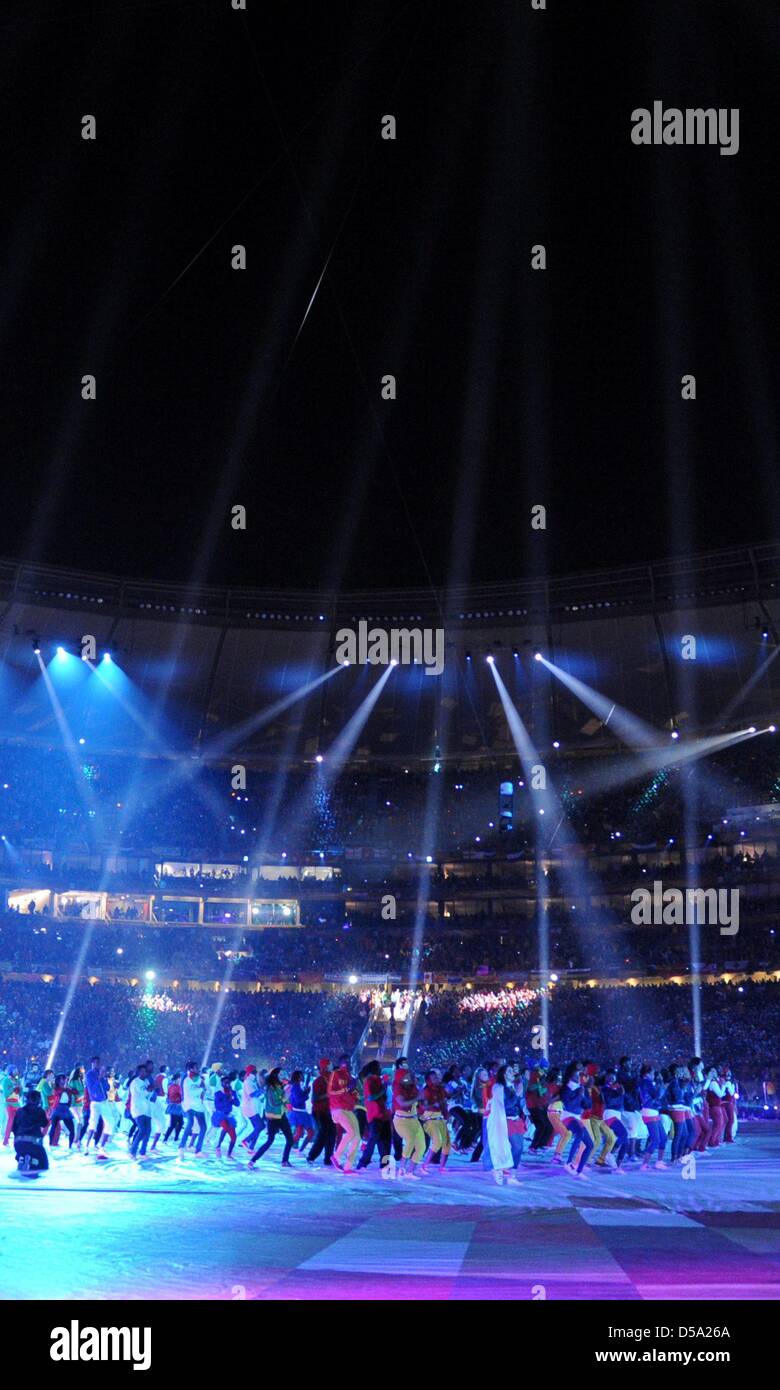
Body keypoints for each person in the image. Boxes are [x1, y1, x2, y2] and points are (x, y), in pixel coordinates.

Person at [248, 1069, 294, 1168]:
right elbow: (274, 1103)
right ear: (275, 1076)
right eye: (281, 1075)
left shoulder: (279, 1086)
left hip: (281, 1116)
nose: (283, 1076)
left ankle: (285, 1161)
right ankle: (252, 1161)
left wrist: (287, 1103)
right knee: (270, 1141)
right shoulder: (270, 1088)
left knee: (290, 1139)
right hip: (273, 1118)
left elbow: (283, 1098)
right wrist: (285, 1100)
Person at [356, 1061, 392, 1171]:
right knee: (372, 1140)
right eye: (378, 1067)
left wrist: (384, 1086)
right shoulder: (369, 1081)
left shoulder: (379, 1081)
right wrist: (384, 1088)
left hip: (383, 1114)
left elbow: (384, 1097)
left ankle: (385, 1164)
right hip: (375, 1114)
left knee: (386, 1141)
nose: (380, 1068)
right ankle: (363, 1163)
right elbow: (370, 1097)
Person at [392, 1064, 426, 1179]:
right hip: (401, 1120)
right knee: (410, 1140)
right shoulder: (397, 1088)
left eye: (409, 1076)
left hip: (414, 1120)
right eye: (405, 1076)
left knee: (421, 1146)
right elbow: (402, 1103)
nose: (408, 1078)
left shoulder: (413, 1087)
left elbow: (421, 1101)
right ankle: (401, 1169)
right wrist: (417, 1098)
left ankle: (410, 1171)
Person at [328, 1055, 361, 1173]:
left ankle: (348, 1167)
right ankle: (336, 1157)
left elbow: (356, 1096)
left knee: (357, 1138)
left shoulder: (351, 1077)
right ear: (341, 1062)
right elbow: (331, 1092)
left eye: (349, 1061)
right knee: (351, 1133)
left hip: (348, 1109)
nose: (347, 1064)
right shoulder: (336, 1074)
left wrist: (355, 1093)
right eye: (345, 1061)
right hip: (337, 1108)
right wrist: (347, 1089)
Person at [12, 1088, 49, 1175]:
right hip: (33, 1142)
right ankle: (30, 1160)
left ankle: (22, 1158)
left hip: (18, 1142)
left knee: (25, 1151)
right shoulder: (40, 1111)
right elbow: (44, 1124)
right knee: (44, 1165)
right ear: (39, 1100)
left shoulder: (19, 1111)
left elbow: (14, 1128)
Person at [420, 1069, 451, 1173]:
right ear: (429, 1079)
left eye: (437, 1076)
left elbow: (447, 1098)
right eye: (434, 1077)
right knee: (437, 1142)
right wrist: (434, 1105)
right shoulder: (426, 1090)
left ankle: (442, 1166)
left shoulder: (441, 1088)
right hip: (429, 1117)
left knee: (446, 1142)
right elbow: (423, 1105)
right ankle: (424, 1165)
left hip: (440, 1116)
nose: (437, 1078)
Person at [307, 1058, 336, 1167]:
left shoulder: (332, 1078)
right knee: (323, 1132)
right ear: (326, 1066)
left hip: (330, 1111)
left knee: (332, 1133)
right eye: (330, 1064)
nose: (332, 1066)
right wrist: (328, 1095)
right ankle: (312, 1156)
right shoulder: (318, 1081)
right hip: (319, 1111)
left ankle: (328, 1158)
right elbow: (314, 1099)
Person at [85, 1056, 113, 1159]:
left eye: (99, 1063)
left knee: (110, 1123)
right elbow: (91, 1089)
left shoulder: (101, 1073)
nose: (98, 1064)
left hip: (104, 1102)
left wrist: (105, 1079)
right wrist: (99, 1078)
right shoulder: (89, 1074)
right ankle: (87, 1146)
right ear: (92, 1063)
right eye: (96, 1062)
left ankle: (102, 1147)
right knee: (93, 1124)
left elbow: (107, 1087)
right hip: (95, 1103)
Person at [179, 1062, 207, 1155]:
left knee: (203, 1127)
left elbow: (204, 1089)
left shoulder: (198, 1078)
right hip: (189, 1105)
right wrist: (201, 1089)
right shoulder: (186, 1079)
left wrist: (203, 1089)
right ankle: (181, 1146)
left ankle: (198, 1150)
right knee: (190, 1123)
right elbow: (190, 1092)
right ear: (190, 1069)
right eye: (196, 1068)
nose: (197, 1069)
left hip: (198, 1105)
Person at [129, 1063, 153, 1160]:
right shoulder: (135, 1082)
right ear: (138, 1072)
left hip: (147, 1109)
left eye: (145, 1071)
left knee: (148, 1131)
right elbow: (144, 1092)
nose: (144, 1073)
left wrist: (151, 1089)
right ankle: (132, 1151)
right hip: (138, 1109)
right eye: (142, 1071)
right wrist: (150, 1089)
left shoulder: (146, 1081)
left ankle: (142, 1152)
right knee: (142, 1130)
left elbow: (149, 1094)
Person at [239, 1064, 265, 1151]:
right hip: (250, 1108)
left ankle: (251, 1147)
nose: (256, 1072)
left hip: (254, 1108)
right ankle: (246, 1141)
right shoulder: (247, 1082)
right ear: (251, 1072)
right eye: (255, 1071)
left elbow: (257, 1095)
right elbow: (252, 1094)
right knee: (261, 1126)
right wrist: (261, 1090)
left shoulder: (252, 1082)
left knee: (257, 1128)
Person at [288, 1071, 314, 1151]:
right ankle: (299, 1149)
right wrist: (306, 1093)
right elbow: (299, 1100)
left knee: (299, 1133)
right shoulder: (296, 1086)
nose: (303, 1076)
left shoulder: (297, 1085)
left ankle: (291, 1148)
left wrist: (305, 1092)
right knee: (310, 1133)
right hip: (300, 1113)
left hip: (299, 1112)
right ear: (298, 1076)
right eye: (302, 1075)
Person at [214, 1075, 239, 1158]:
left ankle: (229, 1153)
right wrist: (227, 1099)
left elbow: (237, 1103)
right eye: (225, 1082)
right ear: (222, 1083)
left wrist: (232, 1098)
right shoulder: (218, 1093)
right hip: (221, 1116)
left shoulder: (233, 1092)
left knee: (234, 1137)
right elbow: (217, 1106)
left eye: (228, 1082)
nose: (227, 1084)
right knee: (226, 1129)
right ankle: (218, 1146)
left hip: (229, 1116)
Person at [49, 1074, 76, 1150]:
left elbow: (75, 1092)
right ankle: (50, 1144)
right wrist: (66, 1088)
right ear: (58, 1080)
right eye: (62, 1079)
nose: (63, 1081)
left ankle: (70, 1146)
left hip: (65, 1109)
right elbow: (56, 1093)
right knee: (53, 1128)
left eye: (64, 1079)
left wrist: (68, 1087)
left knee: (72, 1129)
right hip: (57, 1108)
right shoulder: (56, 1089)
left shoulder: (67, 1089)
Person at [2, 1066, 21, 1147]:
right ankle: (6, 1140)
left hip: (16, 1102)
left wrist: (19, 1089)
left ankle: (18, 1139)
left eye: (17, 1070)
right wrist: (14, 1088)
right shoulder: (6, 1080)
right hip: (9, 1102)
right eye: (14, 1070)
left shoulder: (18, 1080)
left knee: (20, 1120)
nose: (16, 1071)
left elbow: (20, 1092)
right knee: (10, 1120)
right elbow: (6, 1093)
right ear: (10, 1071)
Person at [164, 1072, 184, 1143]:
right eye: (179, 1079)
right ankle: (166, 1139)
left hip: (175, 1107)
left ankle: (175, 1138)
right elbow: (173, 1097)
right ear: (176, 1079)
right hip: (175, 1107)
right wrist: (179, 1099)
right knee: (174, 1124)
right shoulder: (175, 1087)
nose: (180, 1080)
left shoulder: (173, 1086)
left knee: (180, 1123)